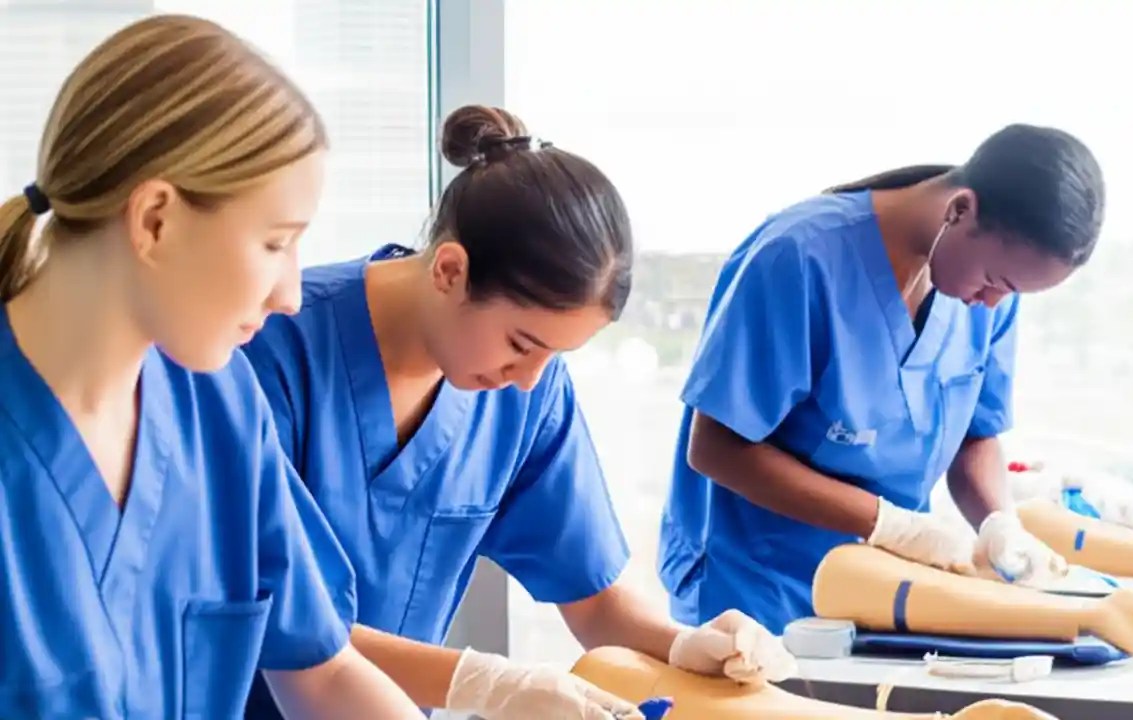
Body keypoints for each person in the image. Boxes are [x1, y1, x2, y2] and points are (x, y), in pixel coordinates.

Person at [241, 105, 796, 720]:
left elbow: (596, 602)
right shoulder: (267, 353)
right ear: (451, 270)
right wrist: (485, 683)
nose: (528, 379)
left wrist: (686, 644)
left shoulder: (527, 391)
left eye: (553, 355)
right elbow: (286, 628)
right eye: (521, 344)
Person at [0, 15, 423, 718]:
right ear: (156, 219)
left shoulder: (219, 405)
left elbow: (320, 672)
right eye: (273, 244)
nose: (291, 294)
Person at [658, 125, 1107, 634]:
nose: (993, 303)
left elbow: (976, 434)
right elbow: (716, 448)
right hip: (758, 587)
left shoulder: (986, 291)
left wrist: (1000, 522)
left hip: (886, 587)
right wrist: (891, 525)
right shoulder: (801, 257)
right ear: (960, 210)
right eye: (995, 282)